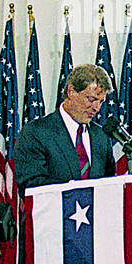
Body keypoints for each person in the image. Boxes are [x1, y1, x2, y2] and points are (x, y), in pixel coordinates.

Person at [13, 63, 116, 191]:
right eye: (91, 99)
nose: (96, 108)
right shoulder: (36, 133)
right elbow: (30, 185)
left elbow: (109, 185)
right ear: (71, 92)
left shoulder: (101, 137)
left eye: (101, 102)